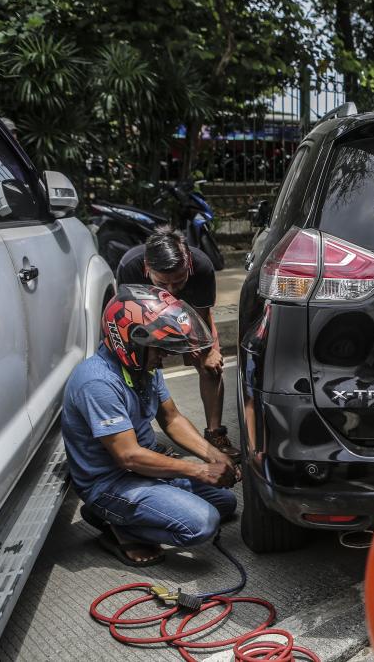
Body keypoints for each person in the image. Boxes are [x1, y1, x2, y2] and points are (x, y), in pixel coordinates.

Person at [61, 285, 240, 566]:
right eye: (159, 347)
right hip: (111, 481)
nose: (165, 356)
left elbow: (171, 418)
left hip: (143, 472)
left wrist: (214, 455)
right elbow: (128, 456)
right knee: (202, 524)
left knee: (225, 502)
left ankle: (135, 510)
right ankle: (114, 523)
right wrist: (200, 470)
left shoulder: (142, 365)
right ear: (130, 341)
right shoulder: (97, 383)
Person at [116, 227, 239, 461]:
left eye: (179, 281)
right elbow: (128, 316)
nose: (172, 290)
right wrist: (147, 354)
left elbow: (202, 317)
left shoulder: (202, 265)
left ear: (187, 264)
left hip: (187, 318)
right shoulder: (129, 266)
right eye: (163, 283)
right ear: (147, 267)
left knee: (211, 365)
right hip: (145, 320)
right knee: (135, 369)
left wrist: (208, 351)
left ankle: (215, 434)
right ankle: (142, 438)